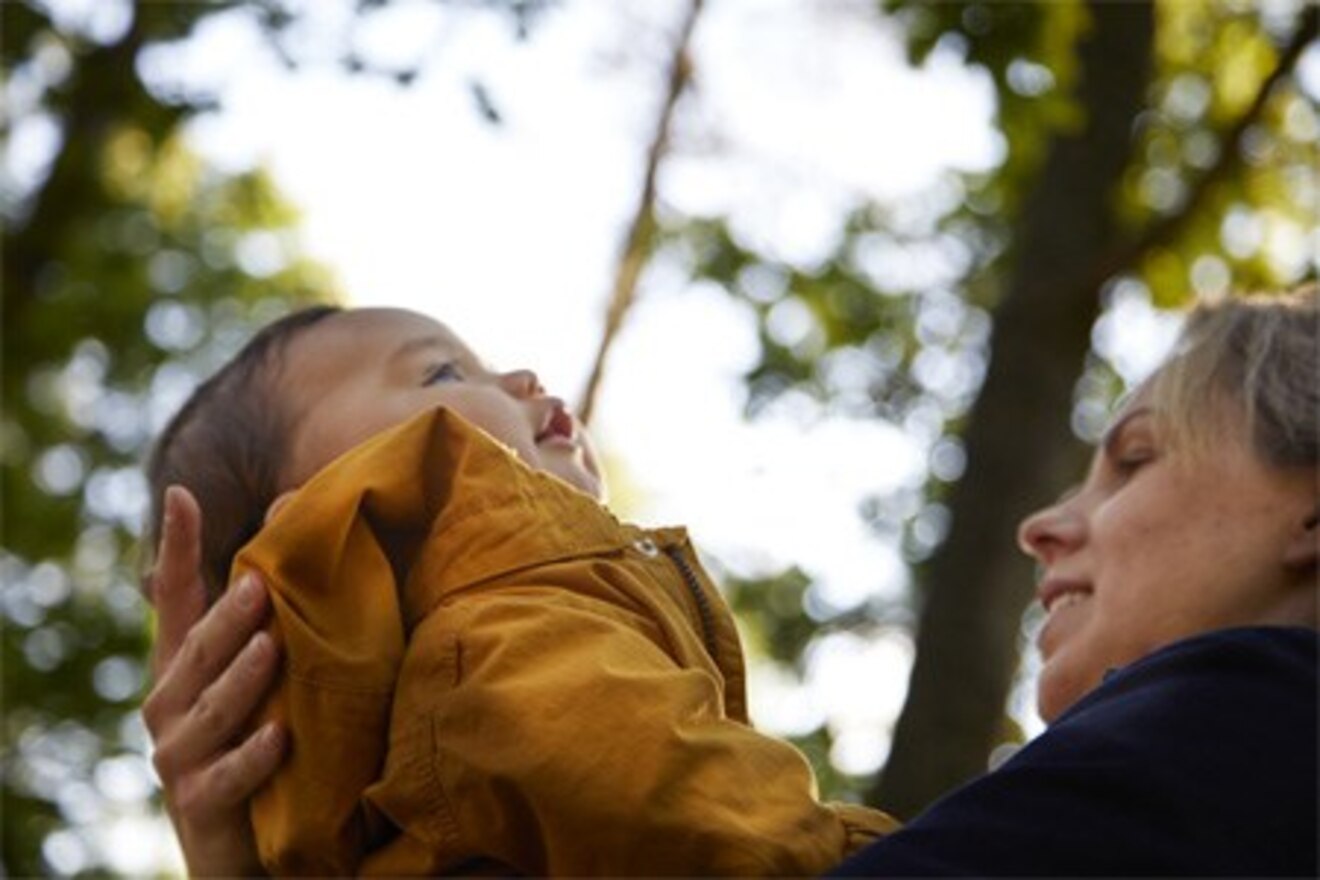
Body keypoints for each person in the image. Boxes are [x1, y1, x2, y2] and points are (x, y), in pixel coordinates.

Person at [143, 288, 1318, 876]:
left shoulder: (1242, 730)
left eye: (1135, 459)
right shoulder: (497, 628)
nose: (1041, 526)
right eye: (443, 375)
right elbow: (678, 806)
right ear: (327, 513)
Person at [141, 306, 898, 877]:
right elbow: (691, 816)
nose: (523, 377)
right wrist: (866, 847)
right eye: (442, 374)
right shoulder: (488, 643)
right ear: (320, 525)